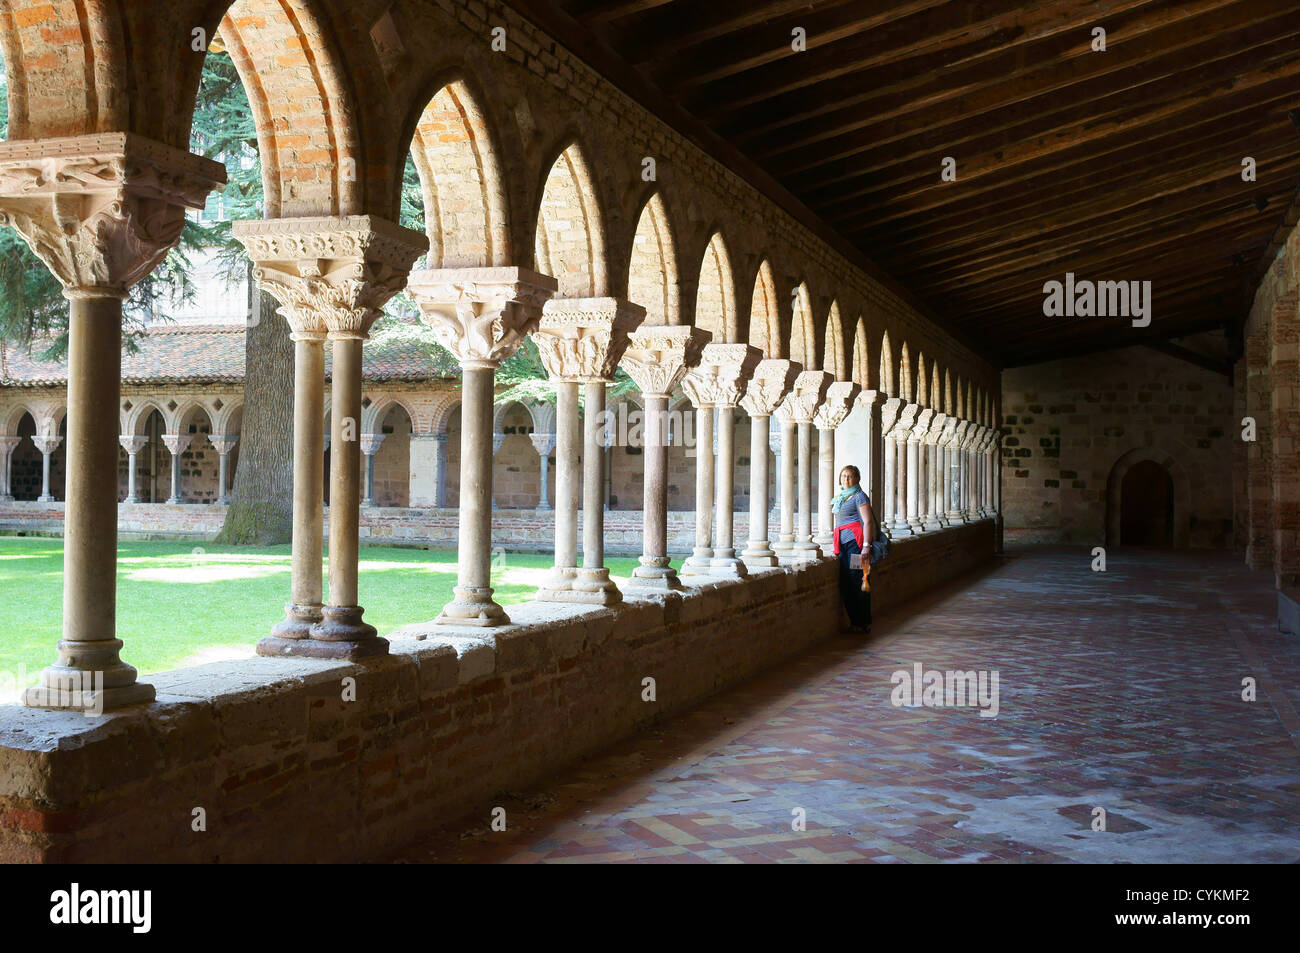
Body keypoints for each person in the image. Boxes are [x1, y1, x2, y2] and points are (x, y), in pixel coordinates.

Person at [830, 464, 874, 634]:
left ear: (857, 478)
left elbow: (868, 522)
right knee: (846, 583)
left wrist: (866, 547)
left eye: (850, 476)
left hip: (856, 545)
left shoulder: (859, 496)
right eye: (843, 476)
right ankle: (855, 621)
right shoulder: (841, 497)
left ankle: (862, 622)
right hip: (843, 545)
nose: (846, 479)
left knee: (859, 581)